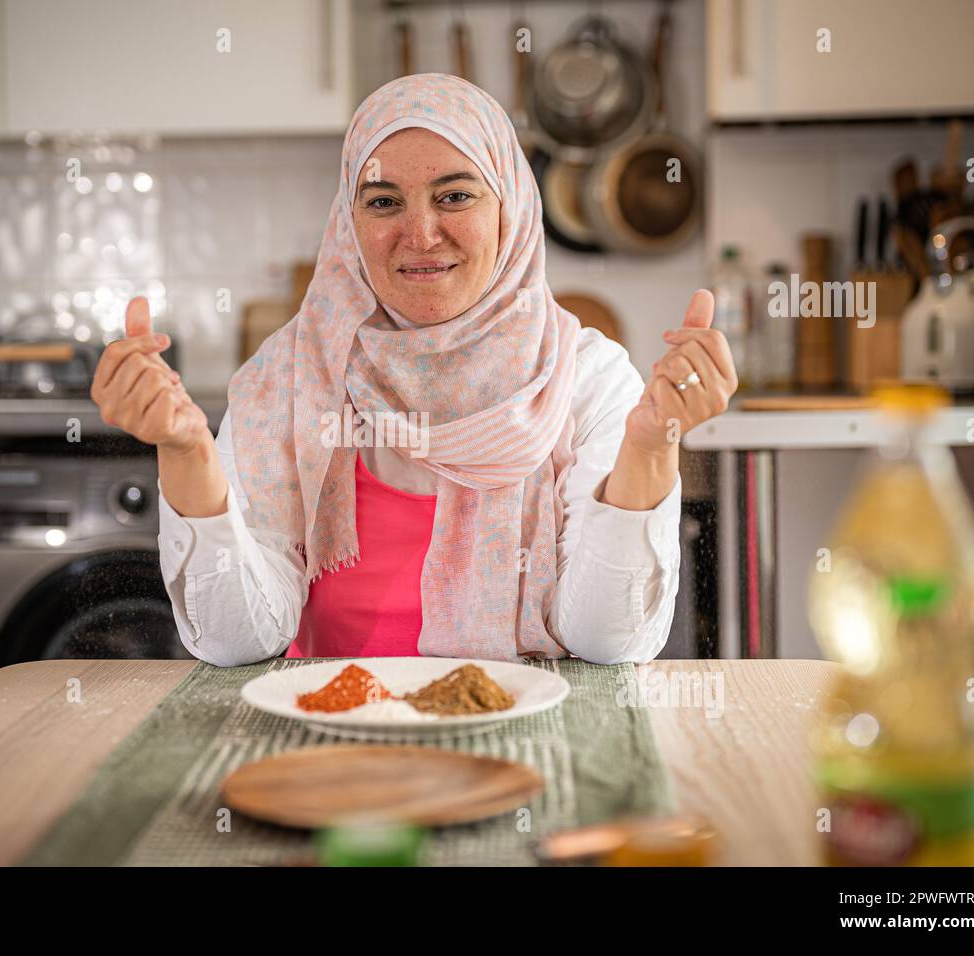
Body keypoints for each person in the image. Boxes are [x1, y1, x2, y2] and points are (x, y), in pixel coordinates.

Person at [90, 73, 737, 666]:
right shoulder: (288, 379)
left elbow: (609, 641)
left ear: (509, 208)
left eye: (454, 195)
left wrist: (650, 450)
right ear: (349, 222)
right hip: (335, 725)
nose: (421, 233)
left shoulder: (588, 379)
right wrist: (186, 454)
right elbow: (237, 641)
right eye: (383, 202)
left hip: (532, 731)